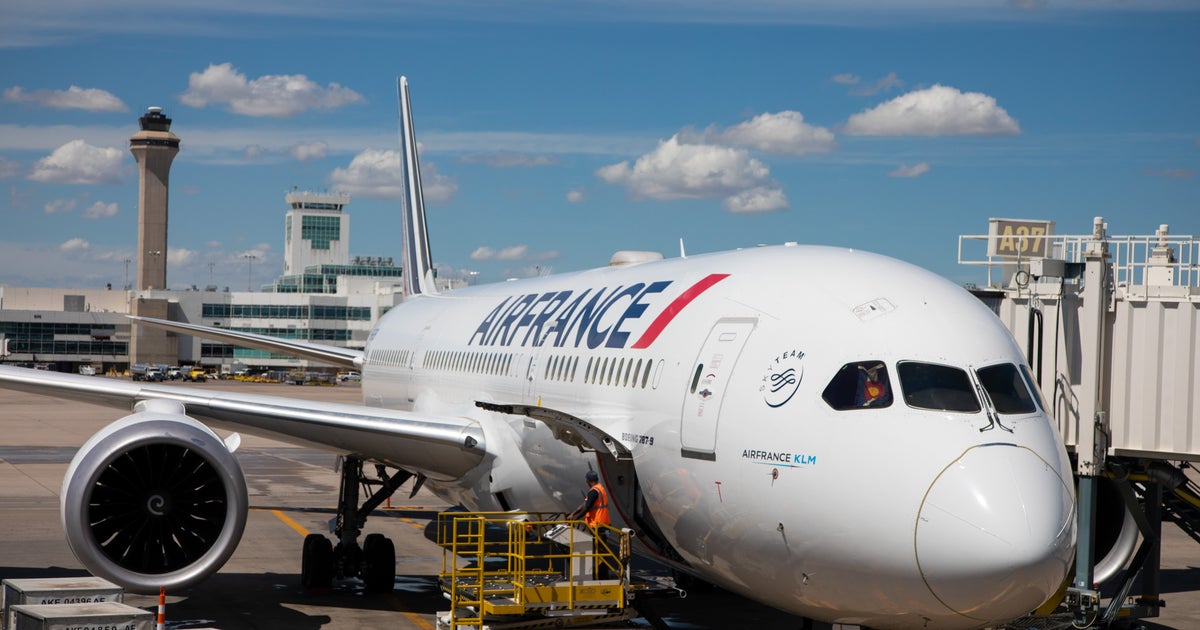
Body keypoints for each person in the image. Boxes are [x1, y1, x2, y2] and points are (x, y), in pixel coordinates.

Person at [567, 470, 614, 579]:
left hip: (599, 526)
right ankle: (600, 574)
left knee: (600, 552)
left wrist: (576, 518)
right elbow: (585, 504)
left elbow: (587, 507)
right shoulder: (599, 488)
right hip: (601, 524)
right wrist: (574, 513)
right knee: (600, 552)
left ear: (588, 480)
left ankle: (602, 576)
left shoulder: (594, 492)